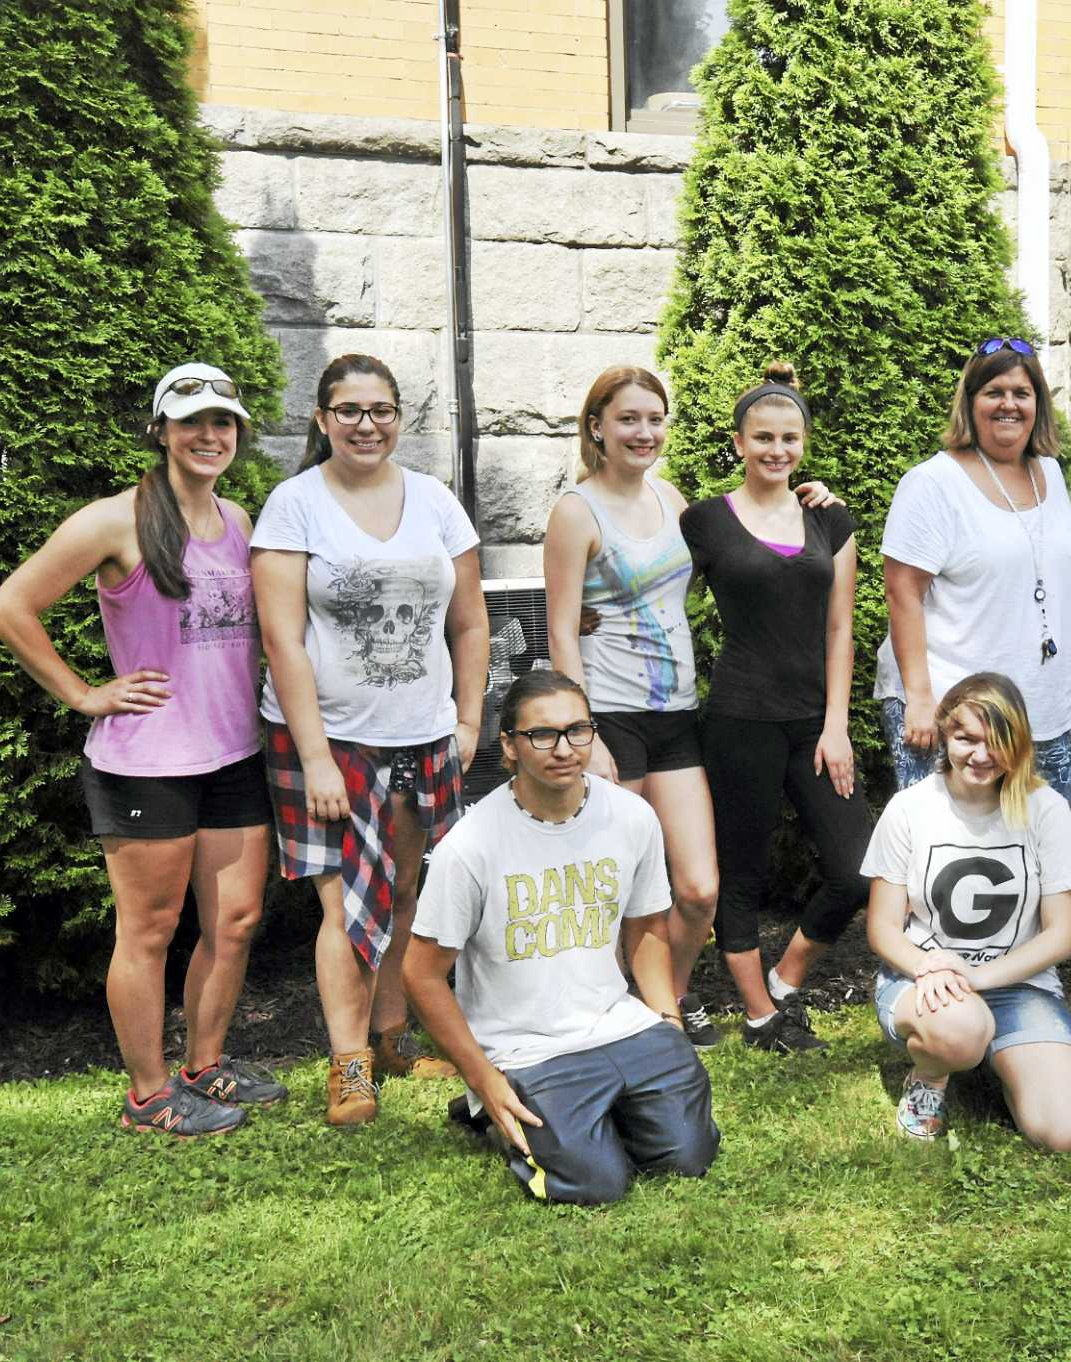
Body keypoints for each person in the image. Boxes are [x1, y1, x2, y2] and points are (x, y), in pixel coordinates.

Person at [0, 363, 283, 1136]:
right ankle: (148, 1096)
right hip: (147, 762)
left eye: (223, 423)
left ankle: (204, 1066)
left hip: (233, 754)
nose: (209, 436)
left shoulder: (242, 520)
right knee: (148, 932)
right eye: (191, 423)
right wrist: (85, 692)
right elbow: (9, 607)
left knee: (236, 920)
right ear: (161, 431)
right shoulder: (115, 521)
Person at [544, 366, 839, 1050]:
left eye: (654, 419)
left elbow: (753, 550)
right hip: (610, 716)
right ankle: (615, 1011)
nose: (644, 432)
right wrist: (581, 732)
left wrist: (809, 501)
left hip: (677, 714)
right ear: (597, 428)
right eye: (628, 419)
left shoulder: (673, 499)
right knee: (613, 886)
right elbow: (561, 627)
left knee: (699, 889)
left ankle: (668, 995)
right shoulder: (575, 511)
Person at [251, 353, 487, 1127]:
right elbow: (282, 640)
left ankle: (391, 1037)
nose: (366, 424)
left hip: (424, 734)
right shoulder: (295, 505)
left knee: (407, 892)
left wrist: (470, 719)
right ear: (321, 420)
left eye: (381, 409)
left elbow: (471, 622)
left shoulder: (435, 501)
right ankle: (348, 1062)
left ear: (398, 418)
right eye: (349, 410)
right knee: (347, 907)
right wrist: (315, 756)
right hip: (331, 741)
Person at [404, 669, 719, 1204]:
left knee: (688, 1158)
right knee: (595, 1183)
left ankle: (597, 1112)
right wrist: (484, 1079)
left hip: (621, 1027)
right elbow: (421, 974)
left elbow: (645, 928)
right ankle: (500, 1116)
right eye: (542, 735)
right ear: (509, 746)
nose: (564, 748)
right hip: (526, 1048)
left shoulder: (631, 817)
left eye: (578, 730)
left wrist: (666, 1022)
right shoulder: (471, 845)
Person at [679, 363, 871, 1055]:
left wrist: (837, 724)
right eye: (762, 437)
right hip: (739, 719)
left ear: (804, 443)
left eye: (789, 438)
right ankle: (761, 1015)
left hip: (815, 724)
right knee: (744, 872)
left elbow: (840, 628)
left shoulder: (830, 516)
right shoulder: (702, 521)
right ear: (738, 443)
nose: (777, 450)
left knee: (857, 869)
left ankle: (785, 981)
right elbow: (650, 589)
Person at [863, 673, 1071, 1151]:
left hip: (1015, 985)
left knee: (1068, 1134)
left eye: (997, 741)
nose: (981, 755)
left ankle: (993, 1057)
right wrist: (929, 967)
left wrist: (975, 976)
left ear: (1018, 742)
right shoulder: (910, 809)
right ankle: (931, 1076)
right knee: (960, 1027)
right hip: (922, 979)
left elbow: (1061, 935)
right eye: (965, 738)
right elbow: (883, 928)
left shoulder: (1045, 810)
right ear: (945, 733)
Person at [876, 339, 1071, 802]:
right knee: (953, 863)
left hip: (1042, 712)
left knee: (1043, 861)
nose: (1008, 403)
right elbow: (902, 593)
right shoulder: (933, 483)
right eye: (993, 391)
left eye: (1021, 392)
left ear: (1038, 405)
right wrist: (921, 700)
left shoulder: (1049, 473)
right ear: (970, 404)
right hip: (956, 717)